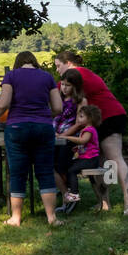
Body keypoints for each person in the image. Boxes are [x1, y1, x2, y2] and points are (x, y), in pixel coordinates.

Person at [54, 50, 128, 216]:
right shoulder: (83, 73)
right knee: (95, 160)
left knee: (114, 157)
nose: (57, 70)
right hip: (96, 120)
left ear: (69, 64)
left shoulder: (77, 75)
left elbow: (53, 93)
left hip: (109, 116)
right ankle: (104, 202)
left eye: (58, 66)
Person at [0, 51, 63, 226]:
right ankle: (52, 218)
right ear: (34, 62)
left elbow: (3, 103)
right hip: (43, 127)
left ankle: (16, 218)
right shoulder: (47, 77)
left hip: (17, 127)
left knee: (18, 174)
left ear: (18, 63)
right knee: (46, 172)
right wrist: (45, 116)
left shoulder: (11, 76)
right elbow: (57, 107)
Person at [58, 104, 107, 210]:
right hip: (86, 158)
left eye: (81, 116)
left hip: (90, 160)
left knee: (72, 170)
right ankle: (69, 190)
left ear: (89, 118)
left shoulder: (89, 129)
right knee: (68, 166)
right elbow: (85, 144)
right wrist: (77, 148)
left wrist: (67, 137)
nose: (78, 118)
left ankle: (74, 194)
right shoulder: (87, 129)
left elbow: (83, 140)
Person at [52, 68, 84, 197]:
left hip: (69, 138)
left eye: (68, 85)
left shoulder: (80, 101)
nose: (64, 88)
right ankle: (63, 190)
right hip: (54, 136)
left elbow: (79, 123)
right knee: (52, 164)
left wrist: (63, 135)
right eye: (63, 84)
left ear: (75, 86)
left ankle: (70, 190)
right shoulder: (58, 100)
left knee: (62, 165)